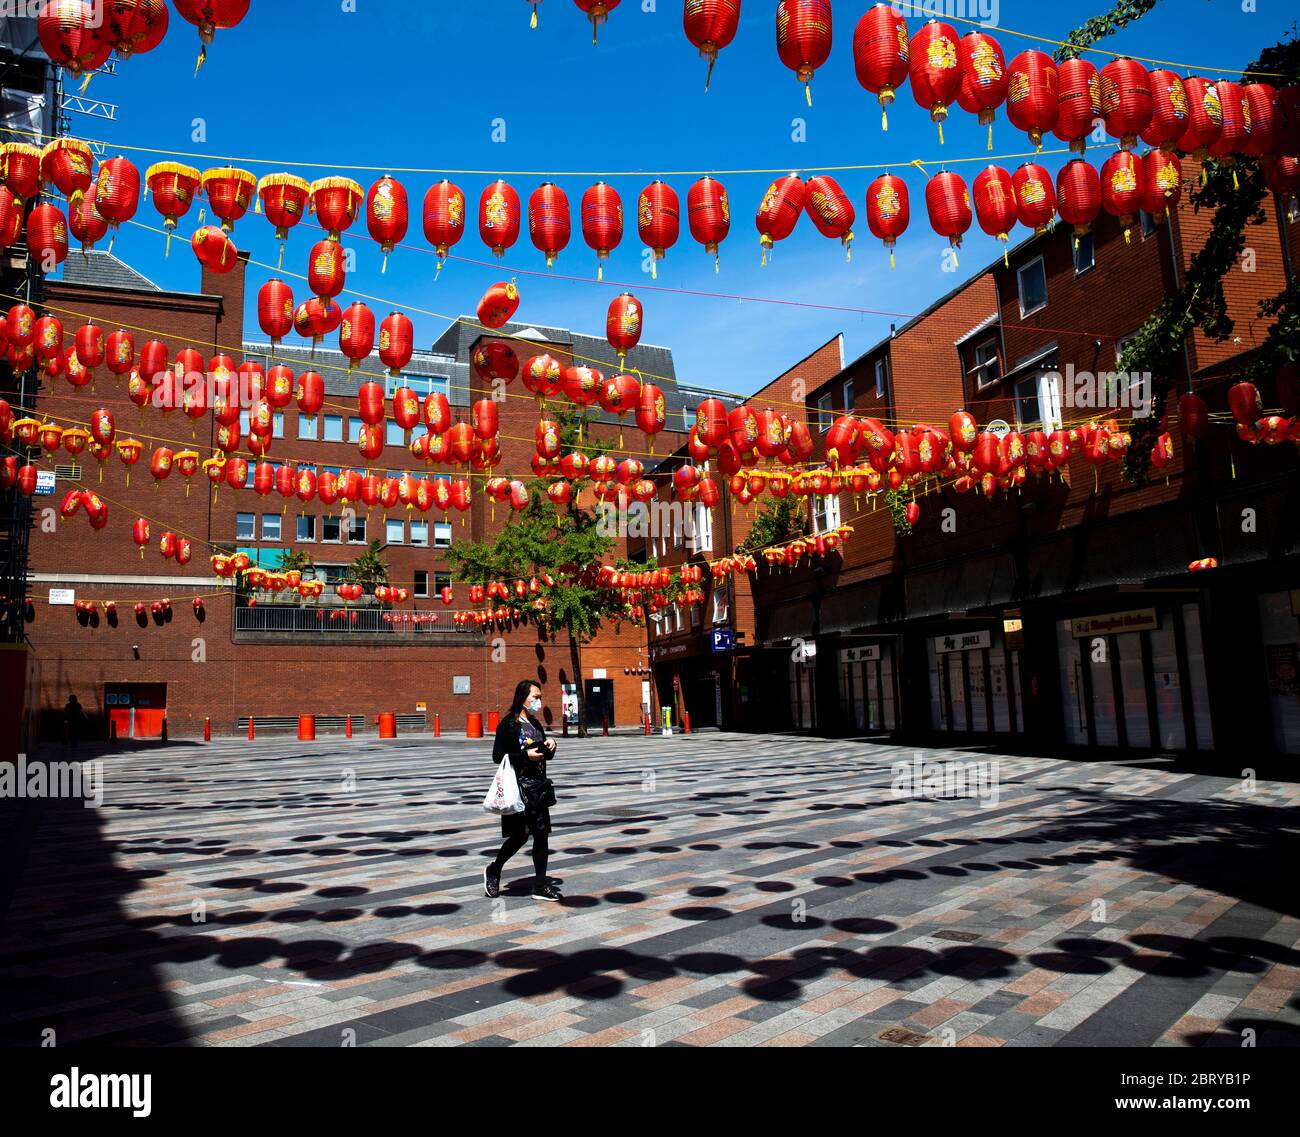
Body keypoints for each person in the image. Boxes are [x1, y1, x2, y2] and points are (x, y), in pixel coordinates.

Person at [484, 679, 560, 902]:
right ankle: (494, 869)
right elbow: (497, 756)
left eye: (540, 697)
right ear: (522, 698)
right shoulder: (508, 724)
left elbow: (543, 754)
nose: (539, 701)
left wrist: (551, 746)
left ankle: (539, 884)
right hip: (517, 787)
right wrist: (525, 756)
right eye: (535, 697)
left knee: (541, 835)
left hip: (538, 788)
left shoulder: (535, 725)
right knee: (519, 836)